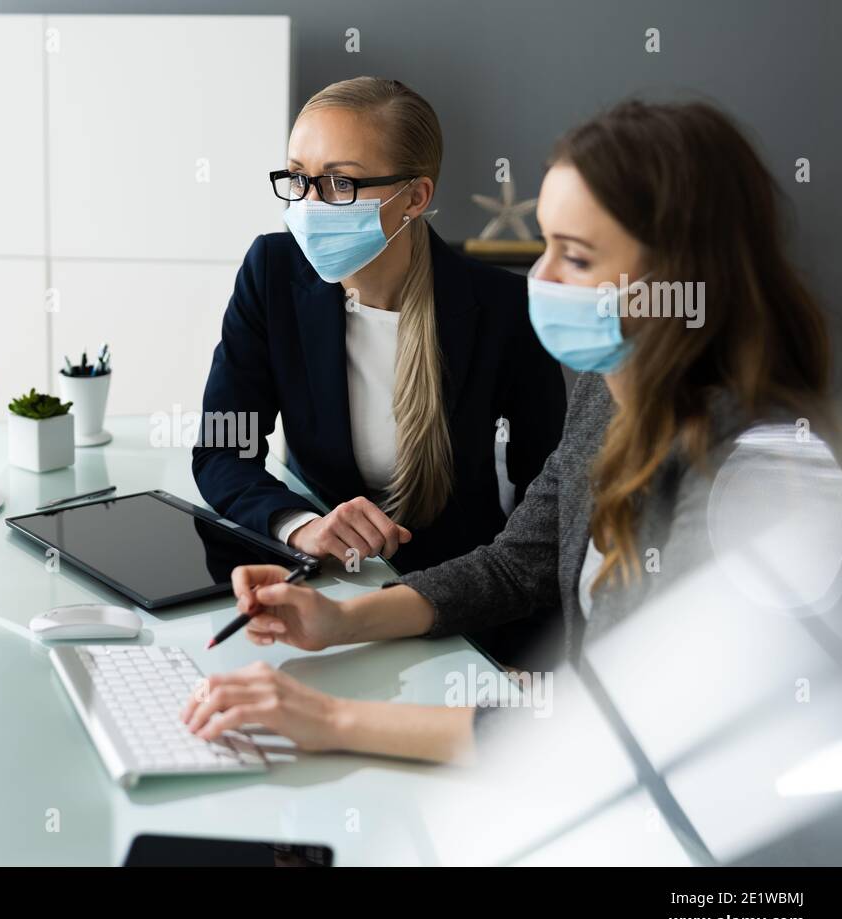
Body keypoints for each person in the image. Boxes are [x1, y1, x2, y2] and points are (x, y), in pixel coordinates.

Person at [182, 99, 836, 763]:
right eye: (545, 243)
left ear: (678, 277)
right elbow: (522, 560)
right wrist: (341, 620)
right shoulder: (609, 394)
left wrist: (333, 720)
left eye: (575, 257)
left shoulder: (758, 468)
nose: (539, 277)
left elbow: (635, 728)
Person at [193, 76, 566, 577]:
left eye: (340, 183)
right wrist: (302, 525)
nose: (307, 205)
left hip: (460, 588)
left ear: (414, 198)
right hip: (326, 577)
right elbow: (223, 449)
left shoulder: (505, 307)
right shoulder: (271, 272)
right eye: (298, 177)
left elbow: (546, 493)